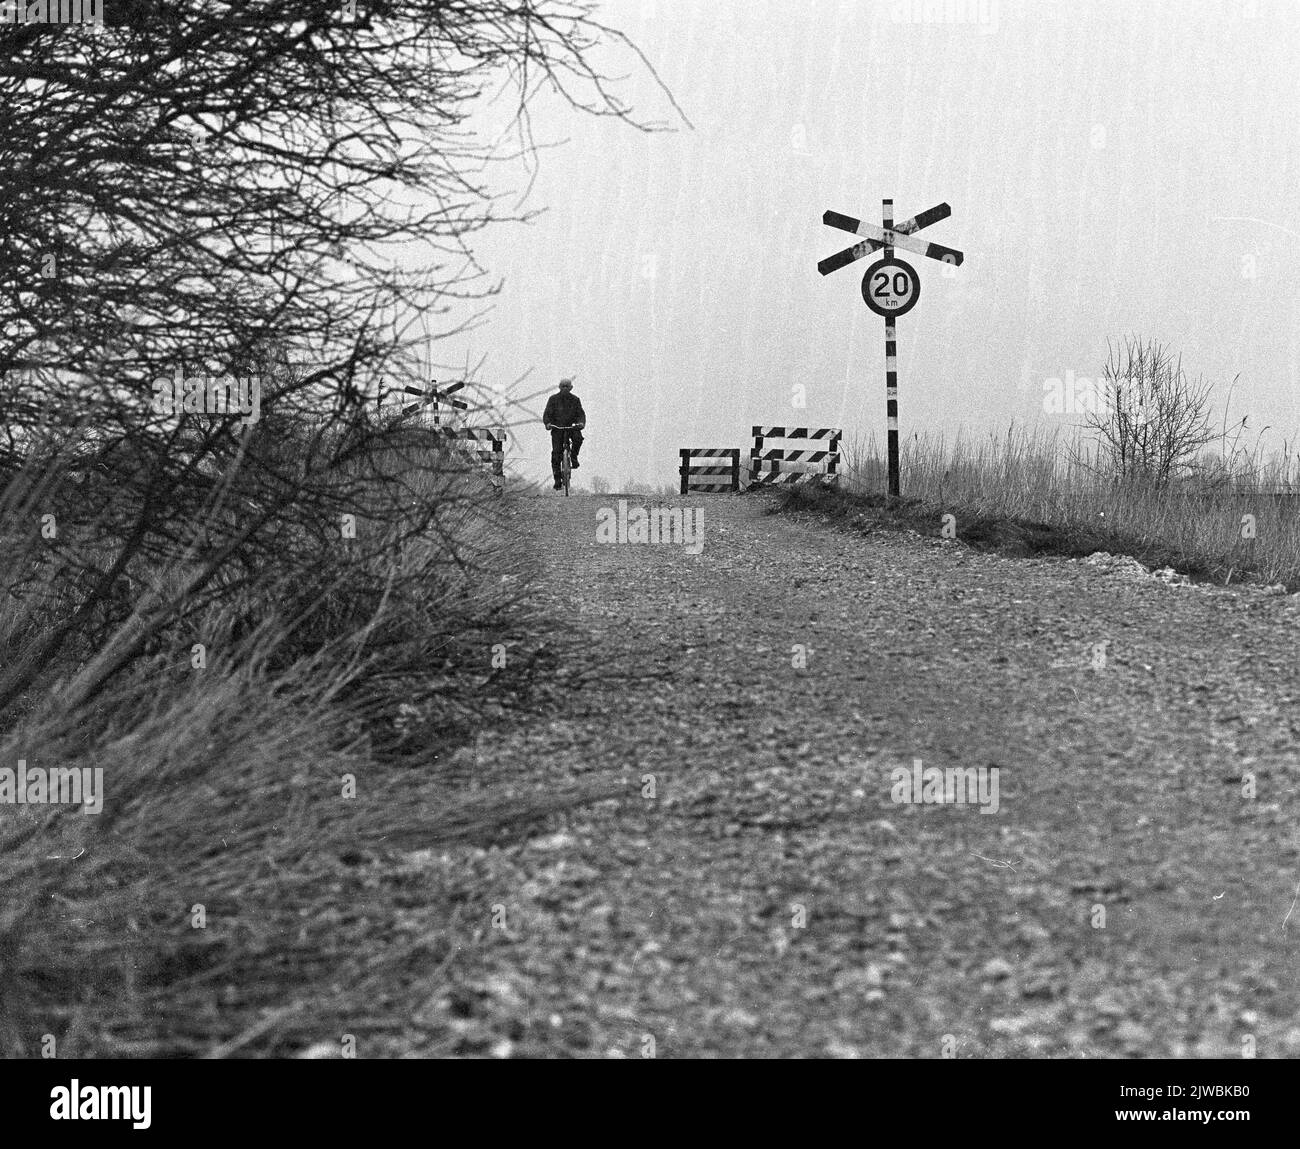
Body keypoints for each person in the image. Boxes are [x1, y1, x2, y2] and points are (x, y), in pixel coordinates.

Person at [542, 377, 585, 490]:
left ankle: (574, 456)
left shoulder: (575, 400)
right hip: (557, 429)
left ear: (571, 388)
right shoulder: (553, 399)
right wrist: (548, 423)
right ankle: (557, 480)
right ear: (559, 387)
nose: (565, 388)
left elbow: (580, 413)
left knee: (578, 439)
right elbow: (547, 414)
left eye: (567, 386)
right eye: (563, 386)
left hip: (572, 428)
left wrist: (581, 423)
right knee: (556, 454)